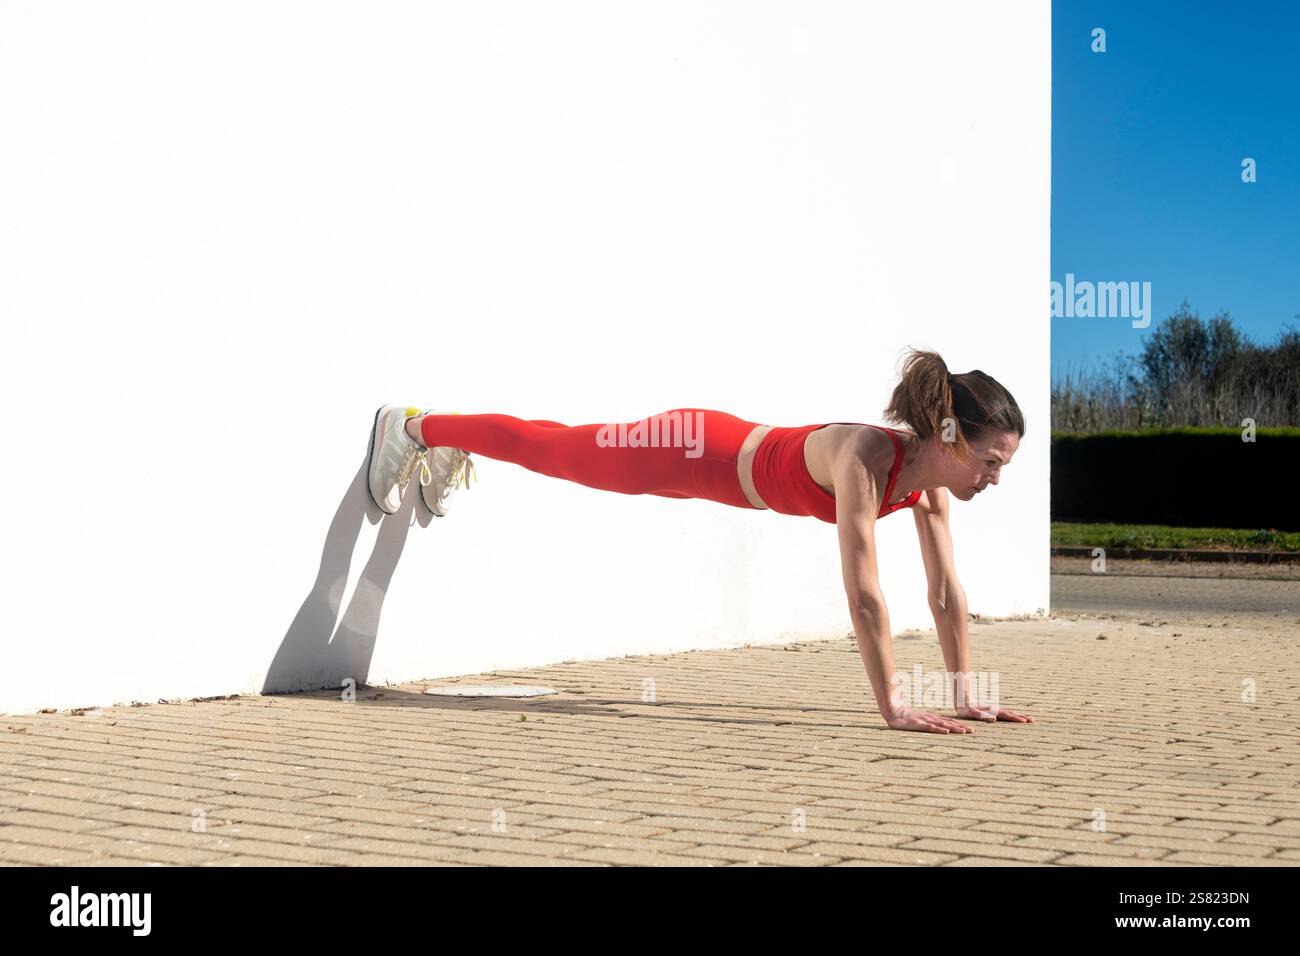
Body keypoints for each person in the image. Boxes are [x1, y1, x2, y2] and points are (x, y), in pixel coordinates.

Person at [366, 348, 1033, 733]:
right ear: (949, 436)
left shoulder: (929, 490)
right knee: (558, 449)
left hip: (722, 467)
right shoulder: (867, 458)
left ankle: (446, 435)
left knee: (556, 449)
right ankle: (421, 429)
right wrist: (893, 704)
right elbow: (864, 592)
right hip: (692, 449)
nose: (995, 479)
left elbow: (945, 592)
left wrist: (964, 693)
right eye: (991, 462)